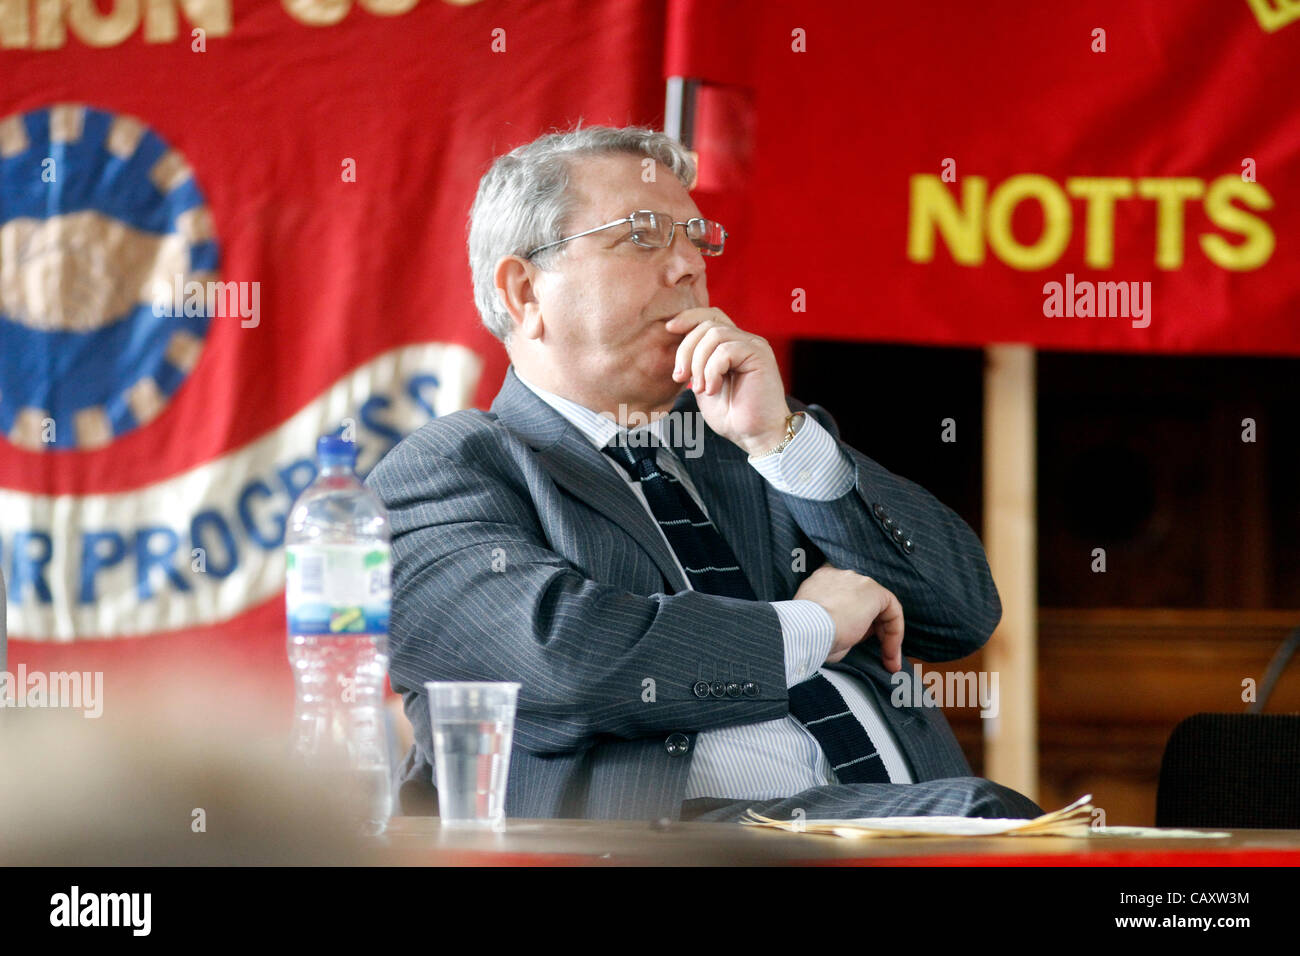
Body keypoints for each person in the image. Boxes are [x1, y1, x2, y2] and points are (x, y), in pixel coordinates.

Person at [367, 125, 1043, 823]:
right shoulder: (447, 472)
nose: (688, 265)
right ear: (524, 291)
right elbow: (567, 658)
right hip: (676, 847)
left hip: (909, 822)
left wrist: (778, 441)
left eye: (697, 239)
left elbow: (961, 613)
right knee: (991, 824)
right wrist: (814, 625)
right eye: (643, 234)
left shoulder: (759, 434)